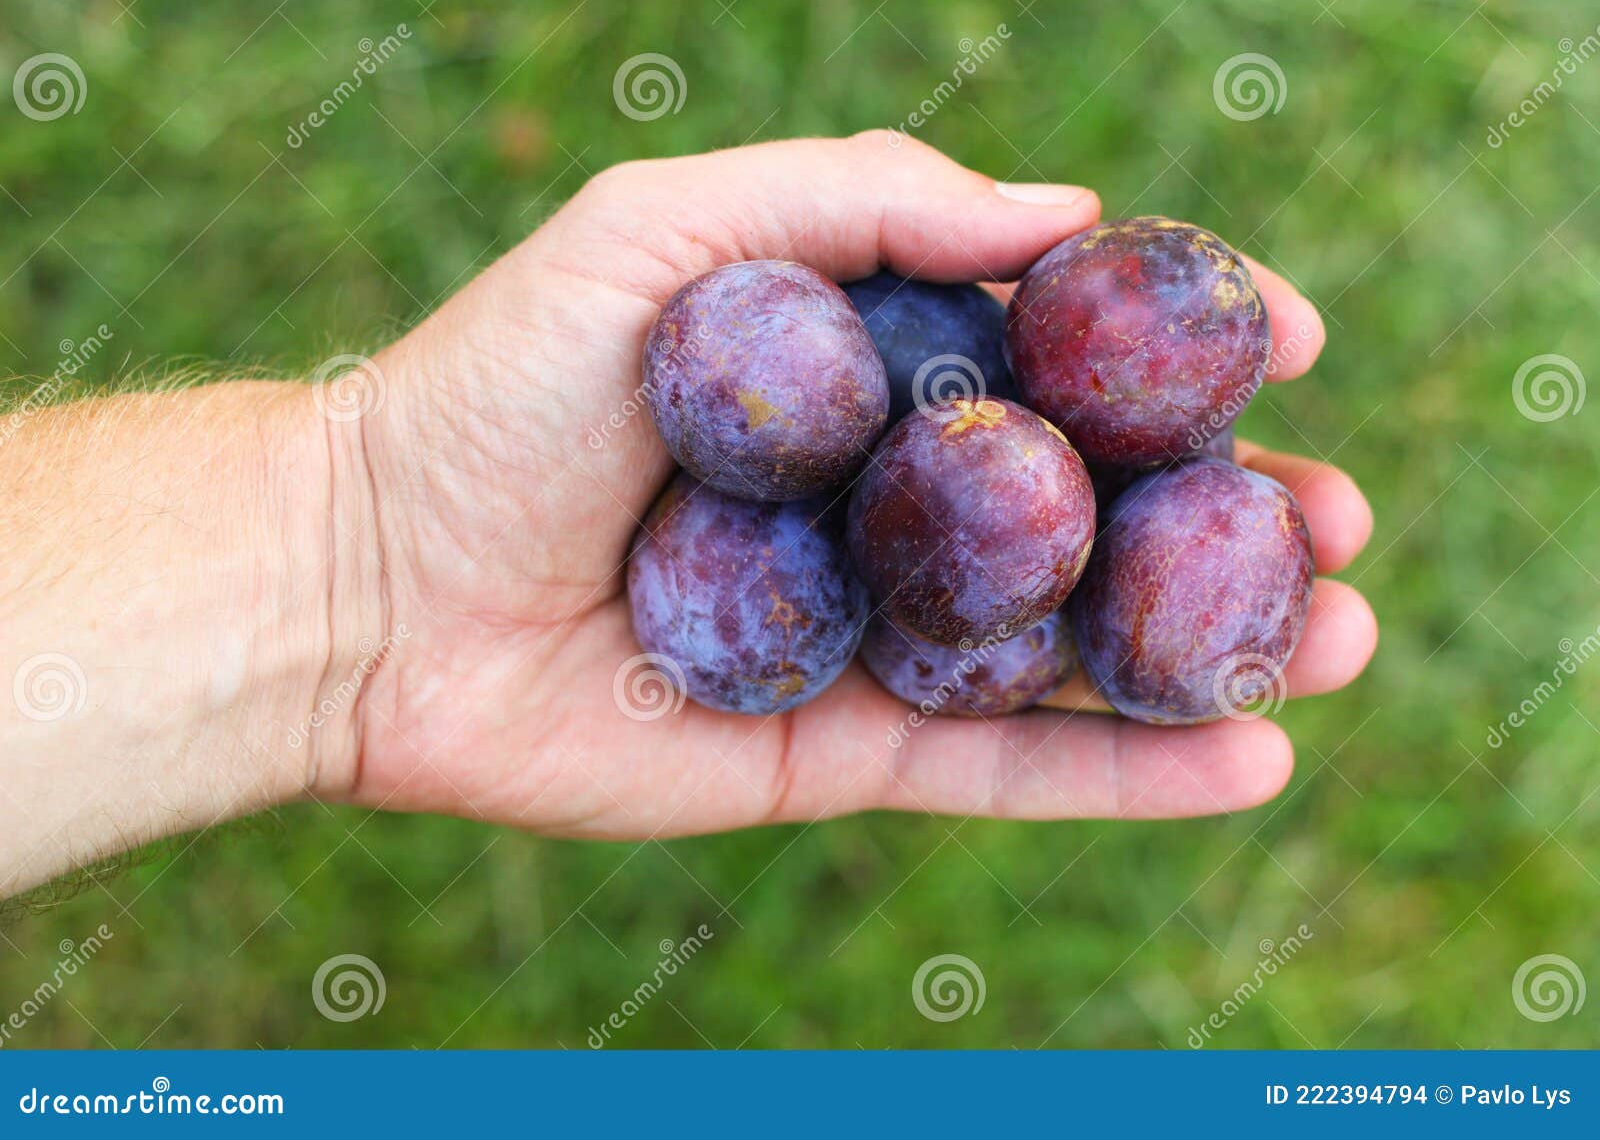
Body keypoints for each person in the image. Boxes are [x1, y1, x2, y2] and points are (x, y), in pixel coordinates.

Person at [0, 134, 1376, 898]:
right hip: (845, 567)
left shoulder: (982, 472)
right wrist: (364, 539)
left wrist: (356, 560)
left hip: (890, 585)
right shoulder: (921, 442)